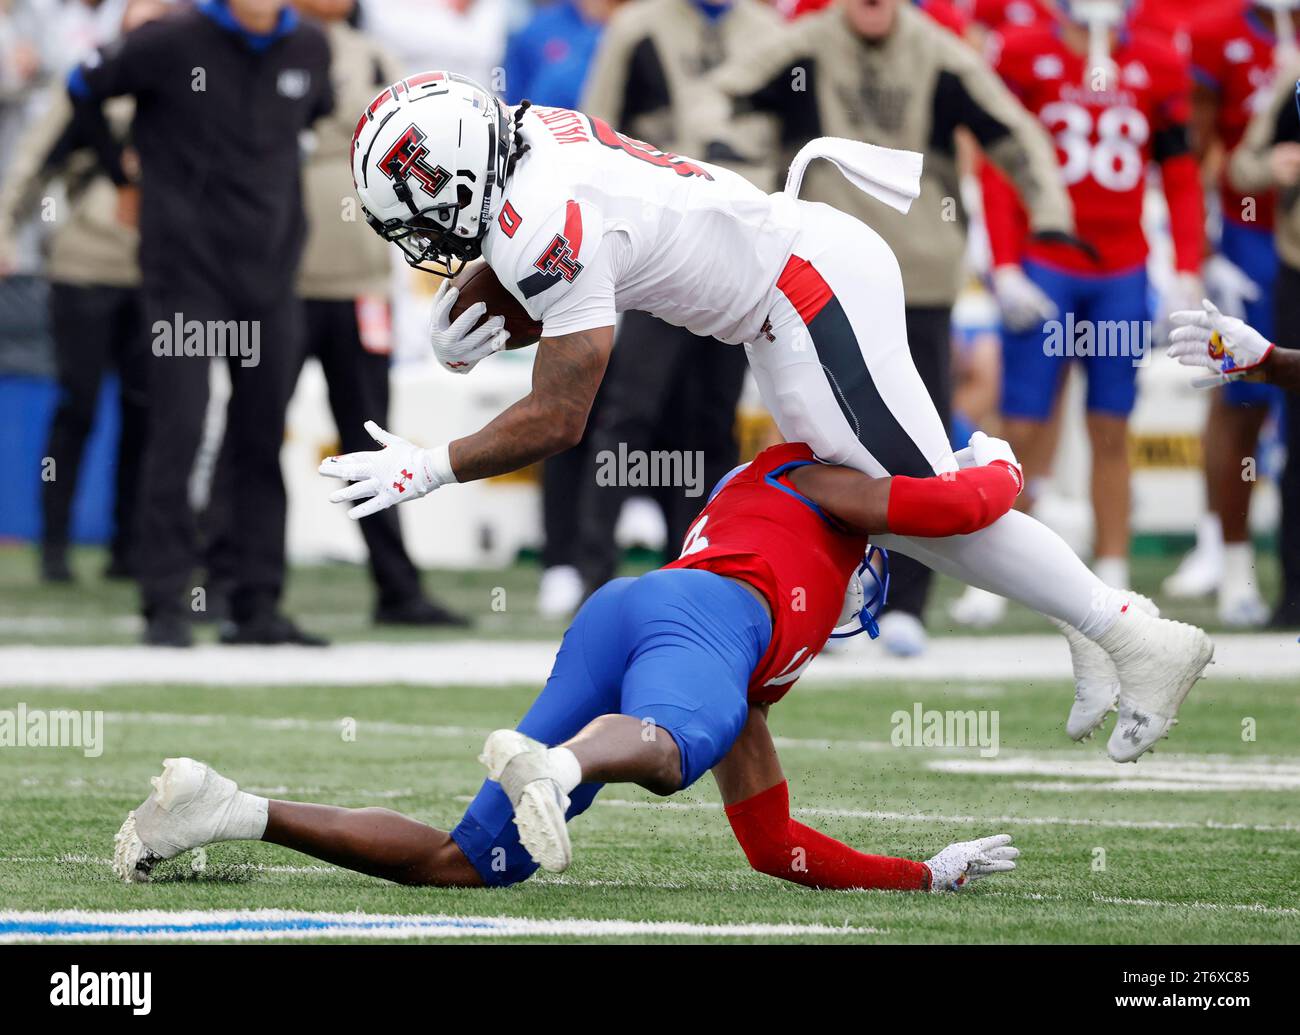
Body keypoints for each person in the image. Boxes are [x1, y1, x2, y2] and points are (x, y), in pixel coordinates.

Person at [328, 73, 1212, 762]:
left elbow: (560, 414)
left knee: (914, 505)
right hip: (785, 289)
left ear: (452, 174)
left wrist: (430, 466)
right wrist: (472, 326)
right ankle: (1098, 624)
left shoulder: (539, 217)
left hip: (804, 290)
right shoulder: (530, 135)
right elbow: (546, 257)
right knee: (910, 508)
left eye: (417, 215)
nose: (425, 243)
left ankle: (1131, 634)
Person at [115, 434, 1027, 891]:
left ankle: (231, 807)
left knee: (462, 863)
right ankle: (554, 765)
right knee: (669, 756)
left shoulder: (746, 646)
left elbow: (773, 845)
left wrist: (923, 872)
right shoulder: (810, 473)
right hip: (697, 615)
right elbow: (954, 508)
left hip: (631, 614)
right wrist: (999, 461)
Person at [706, 0, 1075, 656]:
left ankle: (906, 600)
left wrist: (1048, 206)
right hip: (820, 278)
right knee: (816, 441)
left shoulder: (940, 53)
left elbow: (1011, 130)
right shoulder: (803, 45)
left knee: (923, 446)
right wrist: (741, 179)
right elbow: (718, 104)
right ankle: (828, 589)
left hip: (917, 272)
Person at [66, 0, 333, 647]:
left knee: (261, 436)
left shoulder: (311, 48)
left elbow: (310, 122)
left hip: (270, 273)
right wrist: (117, 169)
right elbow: (82, 86)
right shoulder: (170, 39)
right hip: (186, 272)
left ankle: (255, 600)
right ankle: (164, 602)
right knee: (179, 428)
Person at [980, 0, 1205, 597]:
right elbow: (1000, 164)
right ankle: (998, 573)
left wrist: (1186, 264)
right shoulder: (1026, 50)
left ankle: (1112, 573)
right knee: (1022, 428)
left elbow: (1180, 173)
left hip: (1121, 269)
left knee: (1111, 423)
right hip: (1047, 259)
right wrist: (1004, 263)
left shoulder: (1156, 58)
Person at [570, 0, 783, 606]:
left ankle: (701, 567)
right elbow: (592, 132)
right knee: (628, 410)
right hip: (658, 247)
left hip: (741, 251)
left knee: (712, 417)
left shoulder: (770, 35)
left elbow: (792, 141)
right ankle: (592, 570)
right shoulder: (637, 28)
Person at [1162, 0, 1296, 625]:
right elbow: (1194, 148)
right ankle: (1230, 553)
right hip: (1251, 237)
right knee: (1239, 390)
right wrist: (1206, 245)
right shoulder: (1219, 33)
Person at [1225, 65, 1300, 626]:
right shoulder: (1292, 85)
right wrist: (1272, 166)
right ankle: (1294, 591)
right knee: (1297, 440)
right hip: (1296, 271)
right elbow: (1242, 169)